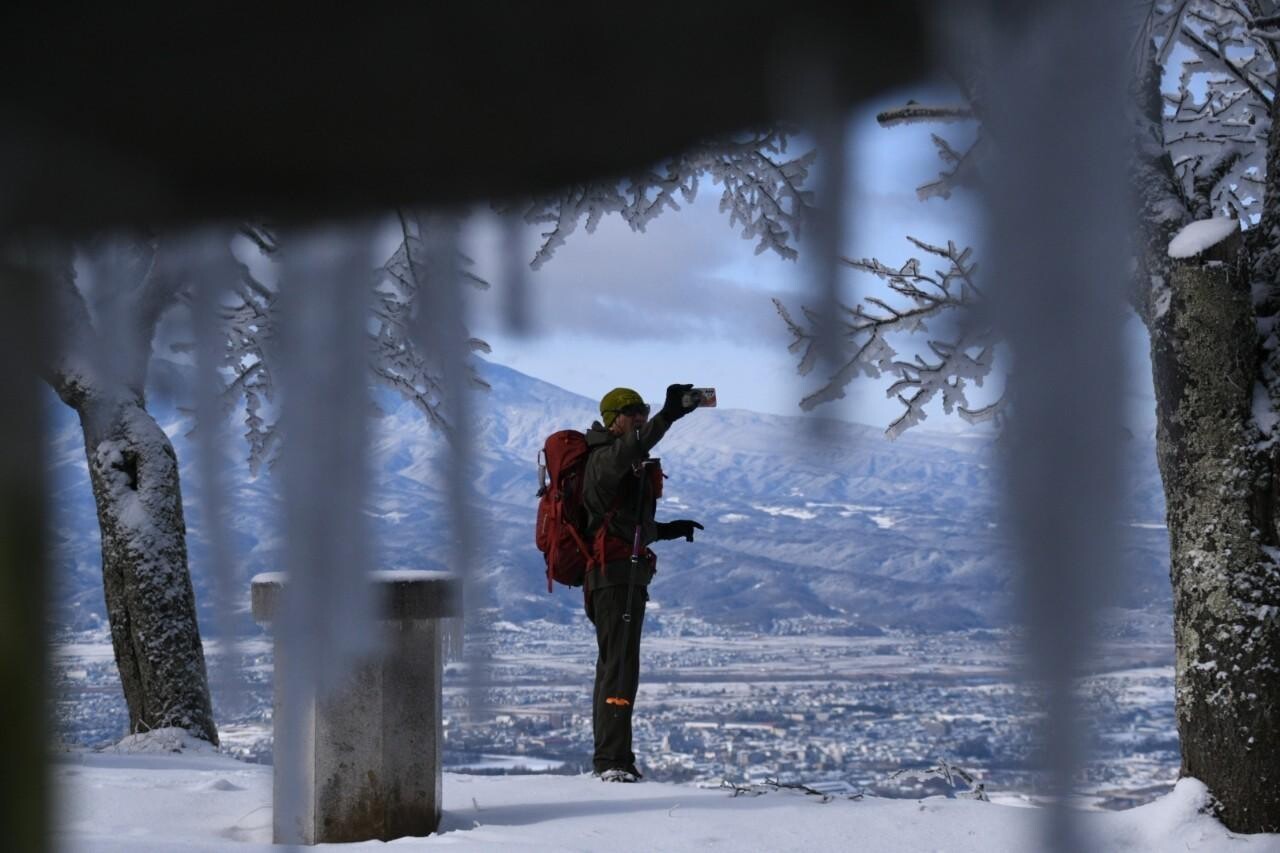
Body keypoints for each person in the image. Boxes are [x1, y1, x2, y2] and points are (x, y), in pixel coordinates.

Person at [581, 384, 704, 782]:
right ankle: (612, 762)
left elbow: (622, 527)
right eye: (631, 412)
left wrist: (665, 531)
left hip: (623, 576)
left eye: (644, 411)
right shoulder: (606, 458)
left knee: (619, 666)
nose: (639, 417)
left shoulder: (622, 462)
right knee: (618, 668)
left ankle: (614, 758)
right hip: (612, 579)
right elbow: (632, 447)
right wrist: (667, 415)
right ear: (612, 419)